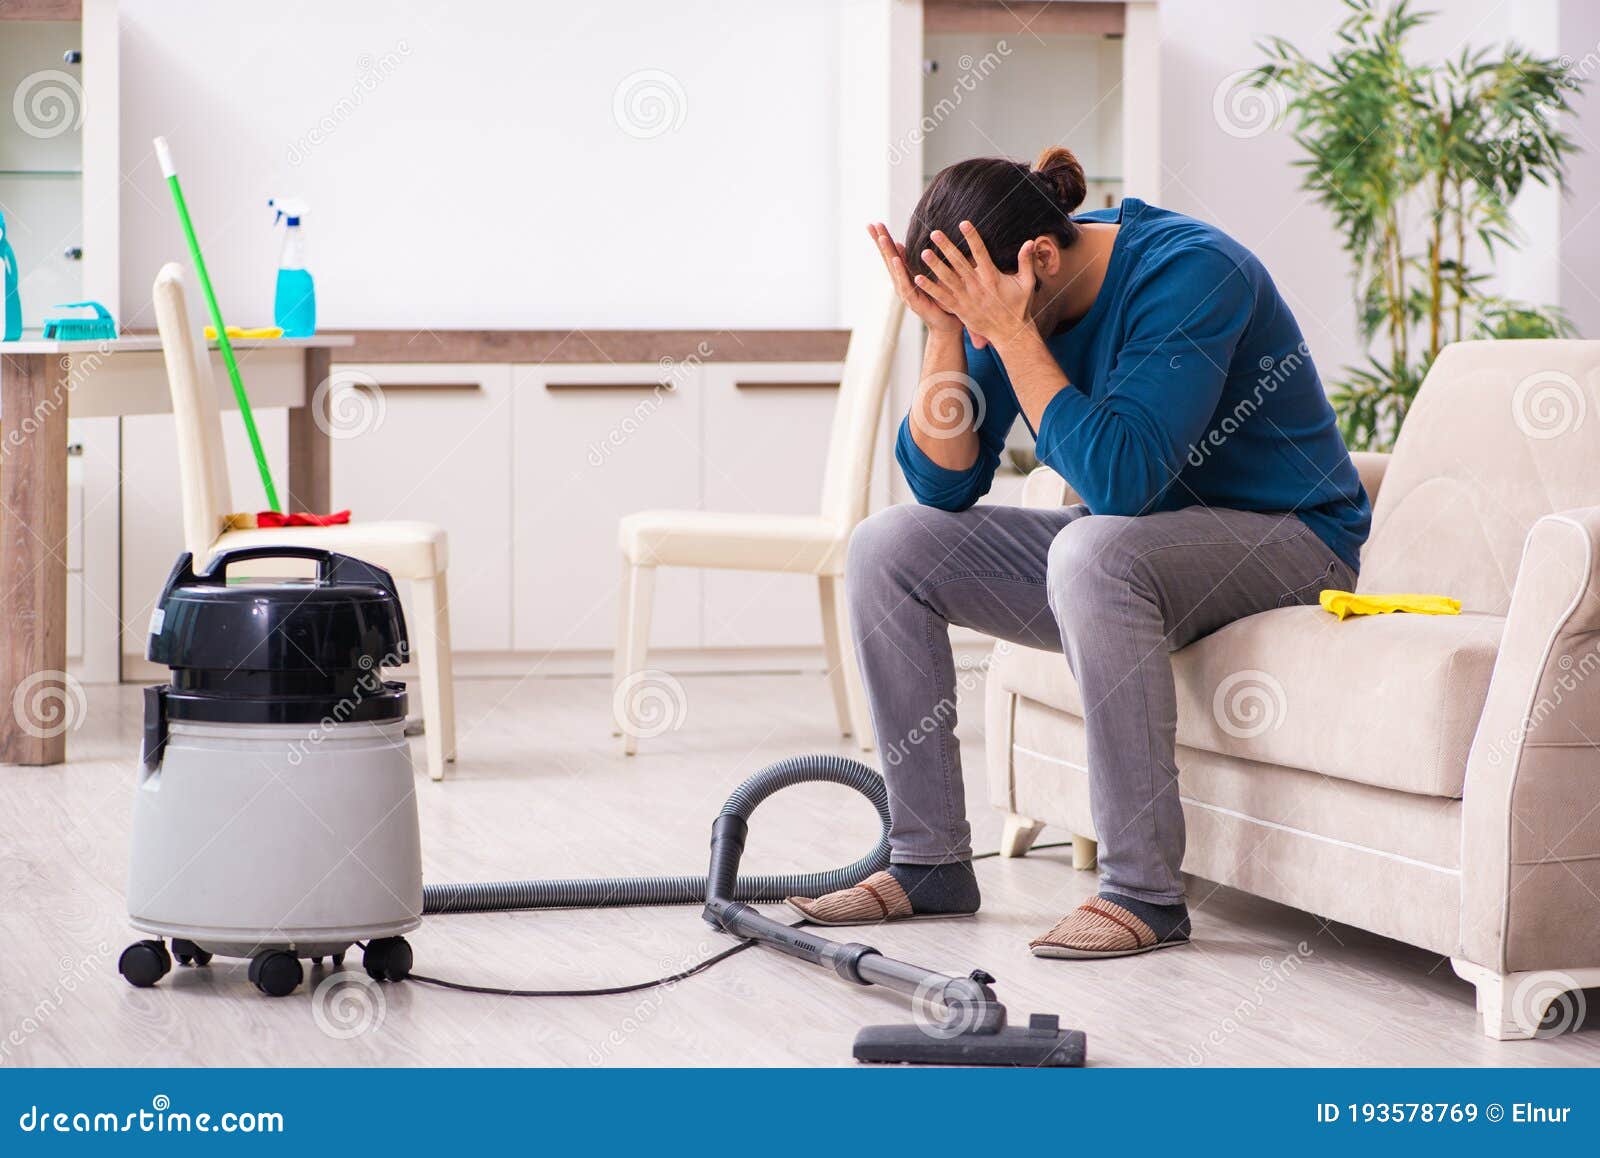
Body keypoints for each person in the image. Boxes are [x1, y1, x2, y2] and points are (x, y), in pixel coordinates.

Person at [786, 146, 1370, 958]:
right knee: (890, 544)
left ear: (1042, 257)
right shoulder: (1003, 290)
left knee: (1093, 550)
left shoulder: (1194, 274)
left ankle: (1144, 894)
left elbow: (1122, 481)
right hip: (1142, 551)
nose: (986, 323)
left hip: (1295, 542)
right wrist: (948, 332)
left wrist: (1011, 331)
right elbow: (944, 488)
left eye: (979, 305)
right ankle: (928, 864)